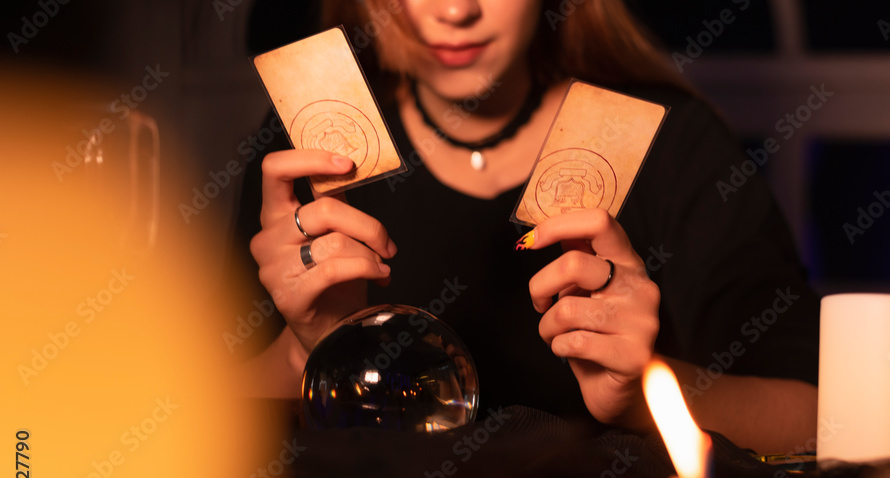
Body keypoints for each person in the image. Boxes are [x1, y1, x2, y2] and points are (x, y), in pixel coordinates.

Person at [234, 0, 820, 454]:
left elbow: (816, 414)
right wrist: (302, 350)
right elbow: (179, 425)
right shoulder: (305, 141)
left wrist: (645, 393)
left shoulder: (670, 140)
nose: (457, 11)